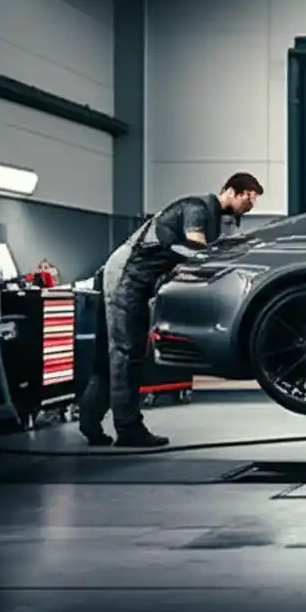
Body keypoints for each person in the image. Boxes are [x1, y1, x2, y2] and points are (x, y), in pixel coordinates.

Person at [79, 172, 263, 447]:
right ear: (232, 191)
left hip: (137, 279)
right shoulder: (198, 208)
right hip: (126, 274)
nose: (251, 205)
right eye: (249, 198)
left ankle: (90, 422)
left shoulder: (213, 220)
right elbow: (196, 248)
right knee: (126, 352)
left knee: (118, 353)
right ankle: (128, 428)